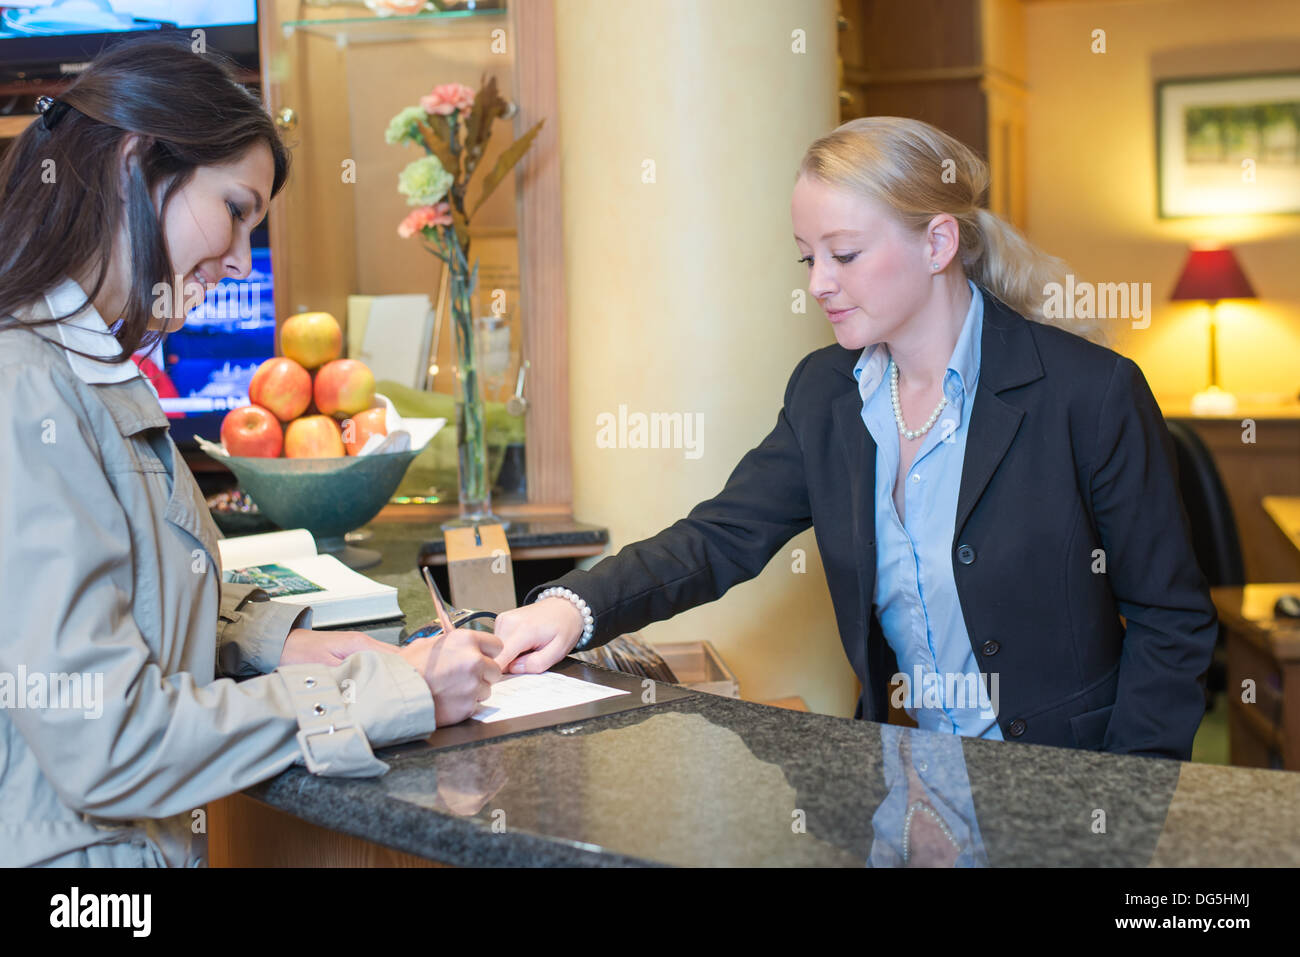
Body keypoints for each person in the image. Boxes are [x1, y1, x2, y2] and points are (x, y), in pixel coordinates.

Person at [494, 116, 1219, 761]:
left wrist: (1127, 798)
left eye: (844, 254)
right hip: (906, 779)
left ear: (938, 241)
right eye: (807, 257)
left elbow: (1171, 619)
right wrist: (571, 609)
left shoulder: (1089, 393)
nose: (818, 284)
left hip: (1070, 782)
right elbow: (717, 537)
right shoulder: (826, 393)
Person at [0, 39, 501, 868]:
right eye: (235, 209)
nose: (240, 260)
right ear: (136, 163)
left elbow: (145, 585)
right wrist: (394, 689)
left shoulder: (89, 369)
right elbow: (111, 742)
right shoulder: (25, 388)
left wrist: (276, 641)